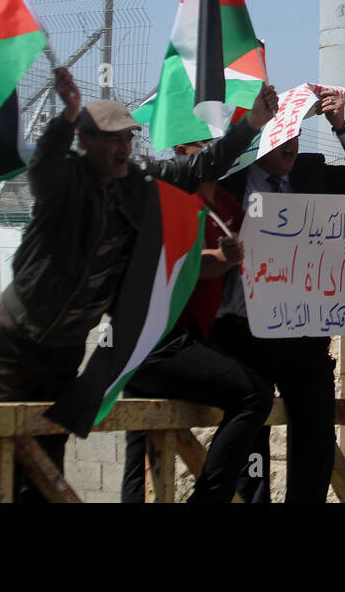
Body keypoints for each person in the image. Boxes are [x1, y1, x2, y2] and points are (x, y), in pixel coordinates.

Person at [0, 67, 277, 500]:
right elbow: (42, 166)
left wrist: (251, 124)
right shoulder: (64, 182)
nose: (122, 148)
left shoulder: (135, 187)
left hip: (63, 356)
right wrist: (65, 119)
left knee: (43, 480)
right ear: (86, 142)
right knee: (2, 473)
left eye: (127, 139)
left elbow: (200, 166)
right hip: (13, 349)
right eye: (111, 138)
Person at [213, 87, 345, 503]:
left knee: (315, 441)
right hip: (243, 333)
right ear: (258, 139)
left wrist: (341, 127)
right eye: (280, 134)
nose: (290, 143)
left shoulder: (314, 174)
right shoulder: (226, 186)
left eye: (295, 134)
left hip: (303, 336)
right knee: (249, 440)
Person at [119, 147, 273, 504]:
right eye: (201, 145)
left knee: (141, 448)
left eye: (217, 142)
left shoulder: (224, 203)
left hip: (181, 340)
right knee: (254, 396)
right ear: (180, 150)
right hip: (154, 341)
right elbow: (177, 259)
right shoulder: (163, 199)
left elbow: (266, 243)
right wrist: (217, 259)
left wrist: (330, 246)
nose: (212, 152)